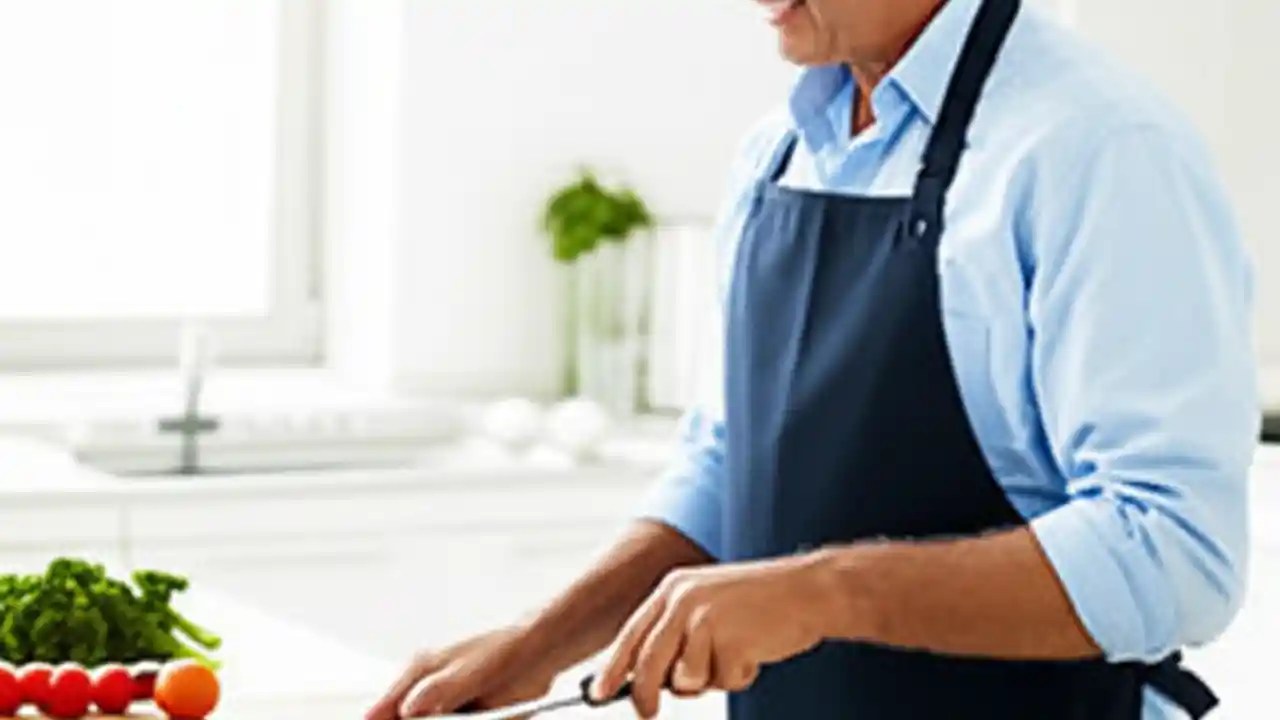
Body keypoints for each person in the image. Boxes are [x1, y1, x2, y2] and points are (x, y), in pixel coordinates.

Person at [367, 0, 1258, 717]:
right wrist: (540, 645)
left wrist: (826, 593)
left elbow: (1173, 553)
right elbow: (729, 472)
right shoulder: (777, 154)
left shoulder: (1096, 151)